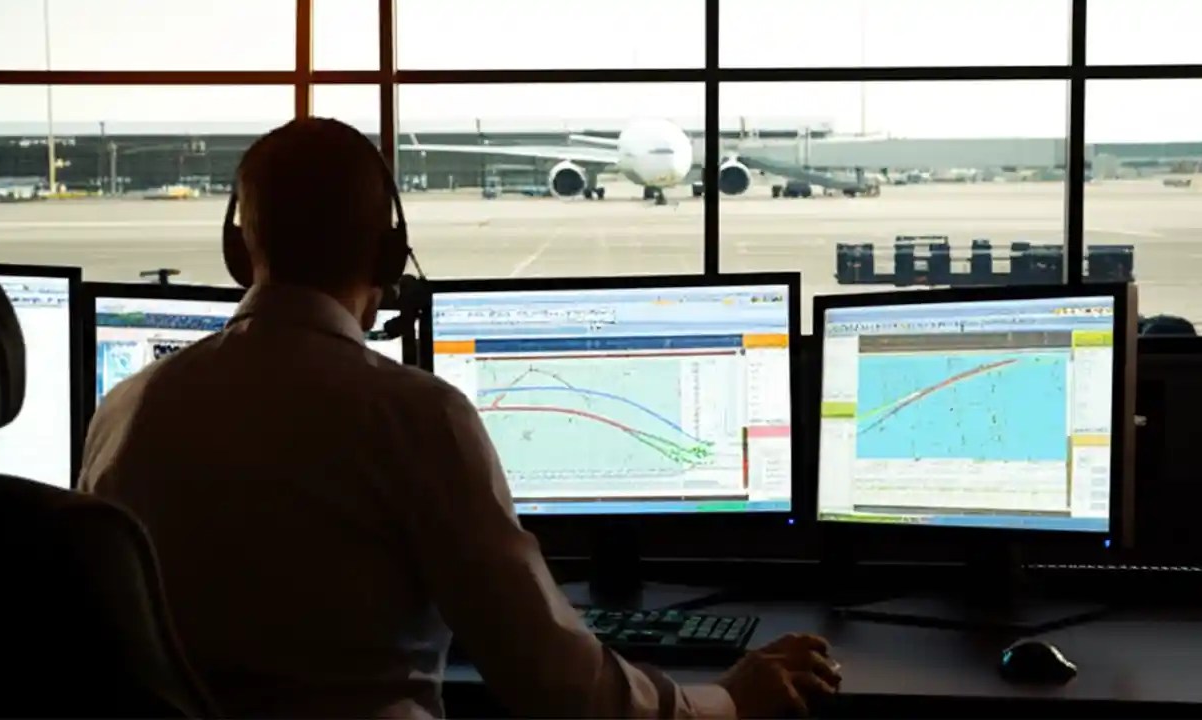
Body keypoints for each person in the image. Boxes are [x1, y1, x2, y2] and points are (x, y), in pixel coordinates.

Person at [79, 117, 841, 718]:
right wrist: (729, 700)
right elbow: (560, 687)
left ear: (240, 253)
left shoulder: (124, 410)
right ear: (389, 255)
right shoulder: (412, 416)